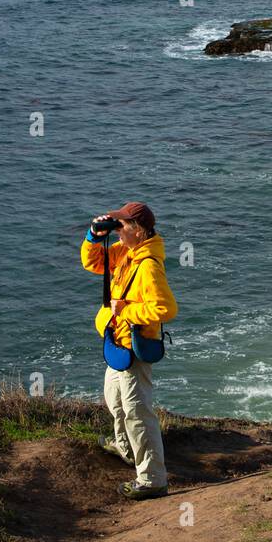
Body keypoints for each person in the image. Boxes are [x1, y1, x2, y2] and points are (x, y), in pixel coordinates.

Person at [80, 201, 177, 500]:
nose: (118, 230)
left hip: (133, 348)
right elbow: (94, 263)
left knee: (138, 414)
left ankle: (152, 480)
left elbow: (166, 308)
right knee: (115, 401)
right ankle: (125, 448)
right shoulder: (127, 252)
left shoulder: (148, 265)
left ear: (140, 231)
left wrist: (126, 310)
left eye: (122, 226)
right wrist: (94, 235)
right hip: (117, 343)